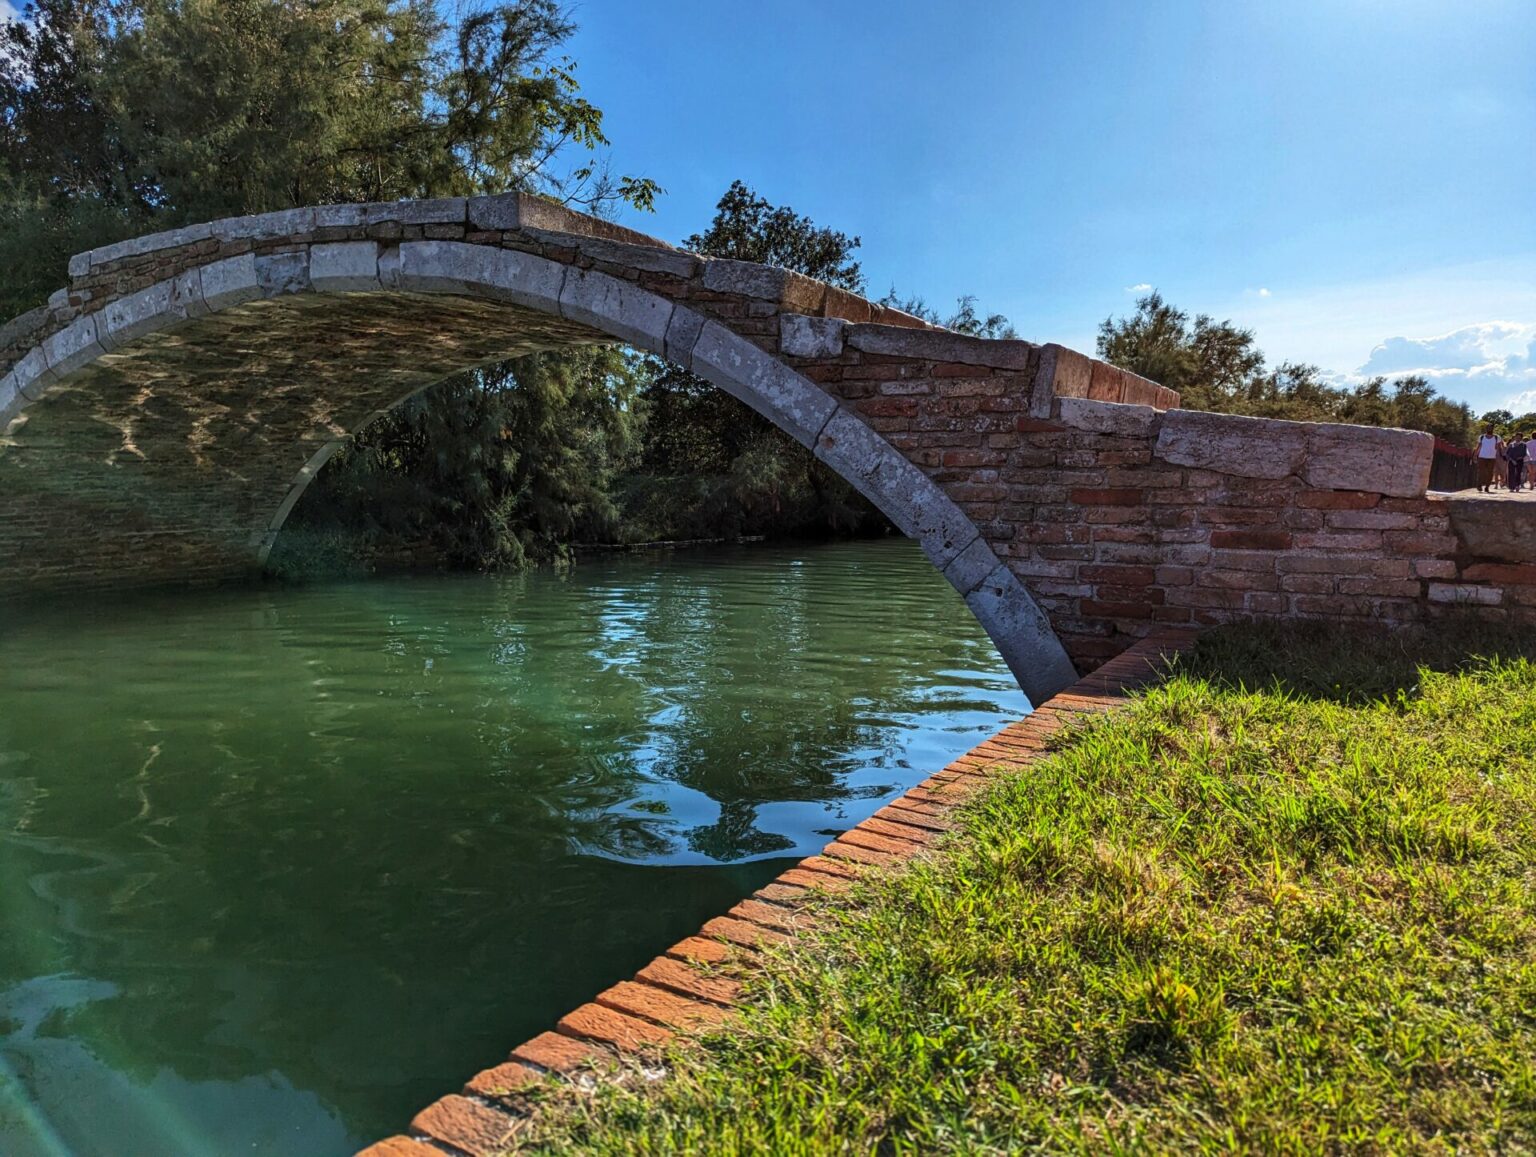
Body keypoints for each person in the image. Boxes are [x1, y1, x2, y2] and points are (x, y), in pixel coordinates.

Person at [1476, 425, 1500, 492]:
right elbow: (1478, 446)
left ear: (1493, 429)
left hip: (1492, 457)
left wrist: (1498, 456)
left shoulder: (1497, 437)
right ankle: (1479, 485)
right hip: (1482, 456)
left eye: (1491, 428)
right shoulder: (1481, 437)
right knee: (1481, 472)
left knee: (1490, 472)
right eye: (1488, 428)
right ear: (1486, 429)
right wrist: (1475, 454)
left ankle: (1487, 486)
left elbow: (1498, 447)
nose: (1489, 429)